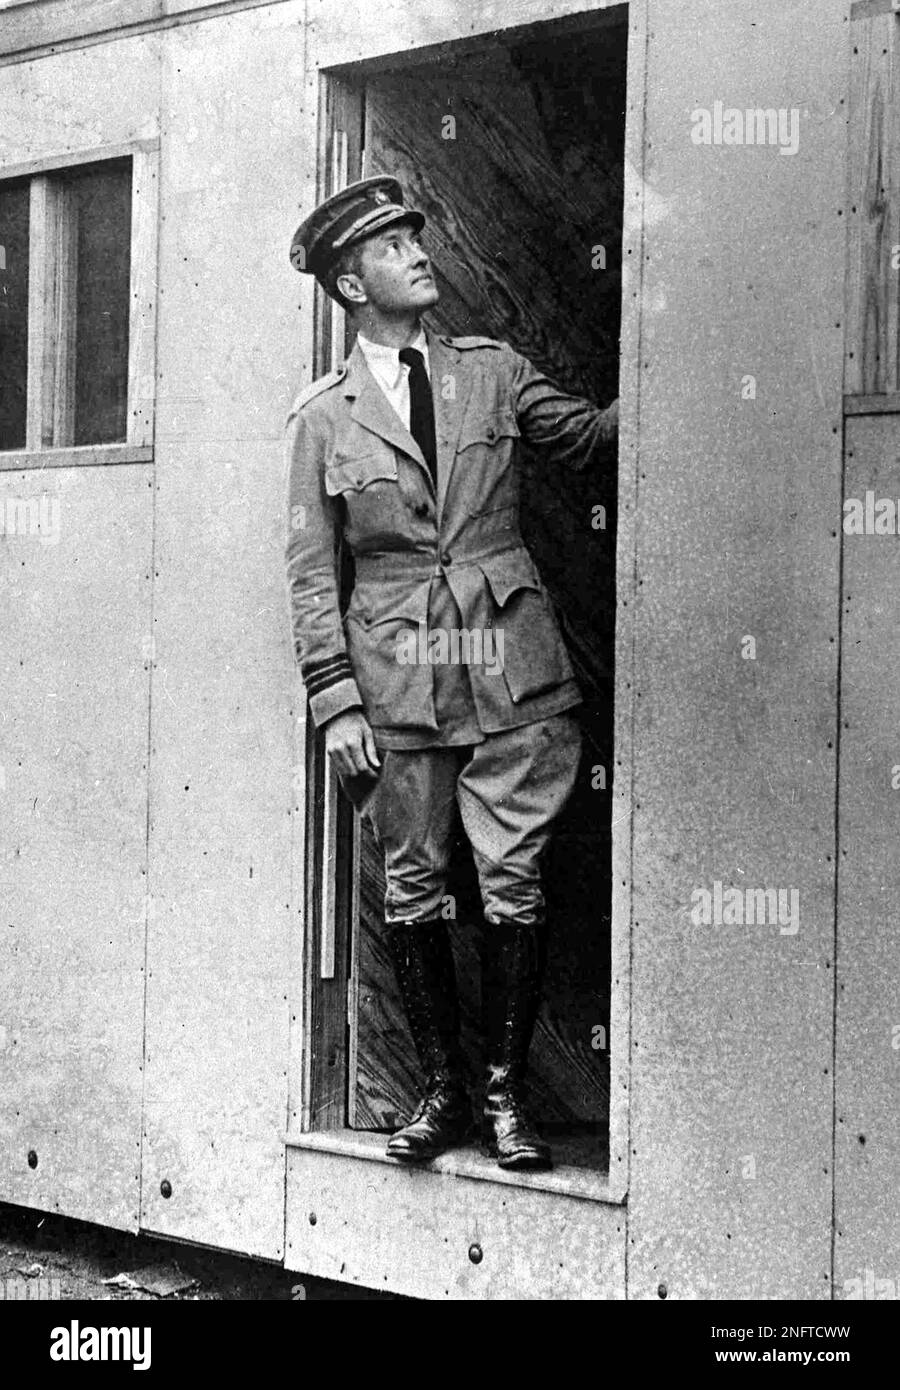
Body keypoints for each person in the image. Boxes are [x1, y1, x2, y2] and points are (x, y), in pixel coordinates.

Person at [285, 176, 617, 1171]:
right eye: (392, 246)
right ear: (351, 283)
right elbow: (310, 571)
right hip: (398, 685)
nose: (419, 253)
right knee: (416, 881)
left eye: (416, 237)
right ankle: (440, 1096)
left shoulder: (495, 372)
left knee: (511, 877)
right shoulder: (323, 418)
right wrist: (336, 700)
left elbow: (593, 442)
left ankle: (509, 1101)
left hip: (510, 670)